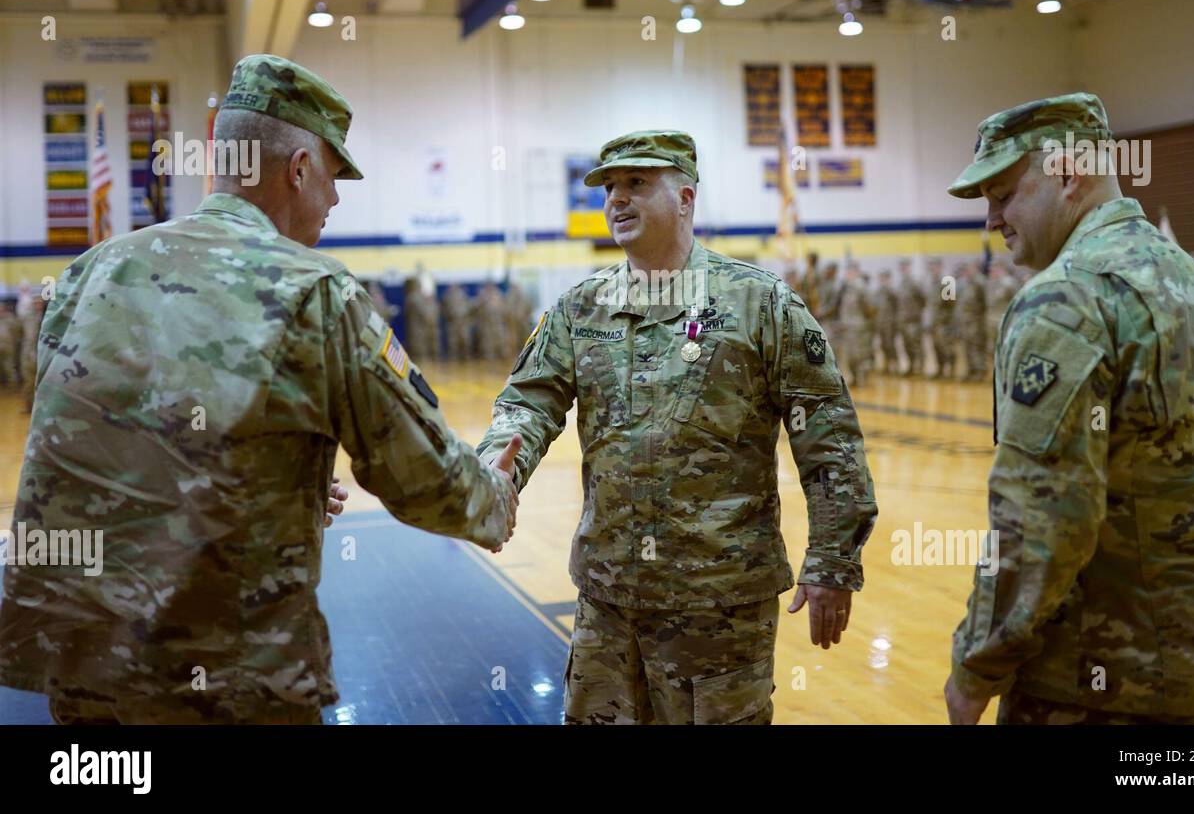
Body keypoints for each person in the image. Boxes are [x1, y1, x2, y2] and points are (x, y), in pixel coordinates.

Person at [0, 54, 521, 725]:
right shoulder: (312, 291)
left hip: (87, 682)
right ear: (298, 169)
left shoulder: (89, 274)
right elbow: (428, 483)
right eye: (332, 179)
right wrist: (494, 497)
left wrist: (280, 479)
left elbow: (102, 446)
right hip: (231, 688)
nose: (333, 201)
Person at [477, 130, 877, 725]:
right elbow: (529, 402)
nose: (616, 198)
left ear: (686, 198)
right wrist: (495, 468)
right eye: (610, 187)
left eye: (637, 183)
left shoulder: (759, 304)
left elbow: (828, 435)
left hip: (718, 608)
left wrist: (832, 558)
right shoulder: (580, 308)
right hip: (608, 601)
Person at [943, 92, 1194, 725]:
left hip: (1109, 689)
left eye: (1003, 194)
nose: (992, 219)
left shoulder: (1064, 300)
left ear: (1068, 173)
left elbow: (1041, 519)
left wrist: (975, 667)